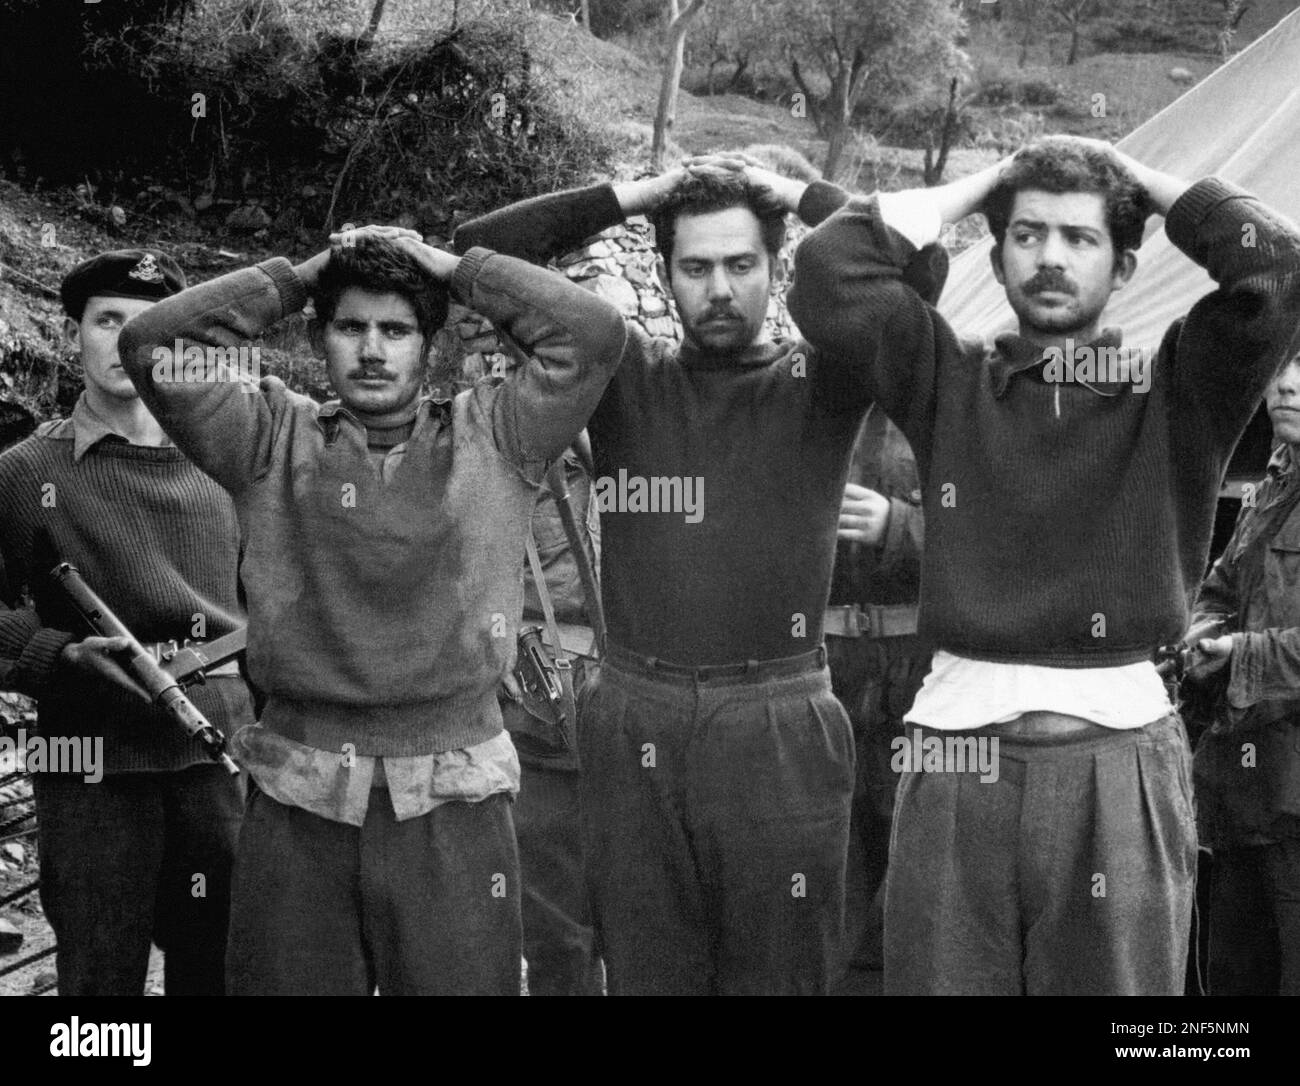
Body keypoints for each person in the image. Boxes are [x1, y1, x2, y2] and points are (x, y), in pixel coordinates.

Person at [789, 136, 1300, 995]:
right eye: (1027, 235)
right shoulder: (946, 379)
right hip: (953, 762)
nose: (1051, 257)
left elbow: (1278, 269)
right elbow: (827, 268)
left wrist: (1138, 177)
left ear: (1127, 264)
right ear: (997, 254)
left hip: (1119, 764)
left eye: (1079, 237)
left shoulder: (1180, 393)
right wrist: (990, 181)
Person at [455, 155, 946, 995]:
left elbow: (920, 265)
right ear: (663, 272)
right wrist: (639, 195)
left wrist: (786, 191)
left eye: (741, 264)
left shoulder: (825, 381)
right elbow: (481, 253)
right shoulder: (622, 374)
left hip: (779, 724)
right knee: (651, 977)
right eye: (696, 266)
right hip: (633, 718)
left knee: (781, 977)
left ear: (777, 267)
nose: (719, 288)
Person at [117, 225, 626, 995]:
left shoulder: (498, 433)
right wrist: (307, 273)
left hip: (456, 796)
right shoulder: (268, 437)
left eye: (397, 329)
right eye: (350, 327)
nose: (373, 350)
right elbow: (154, 342)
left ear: (430, 345)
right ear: (320, 338)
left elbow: (592, 334)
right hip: (299, 795)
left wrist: (451, 267)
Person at [0, 250, 253, 996]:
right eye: (108, 321)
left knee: (220, 970)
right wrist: (55, 656)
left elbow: (277, 603)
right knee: (99, 984)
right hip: (87, 766)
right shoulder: (21, 473)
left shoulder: (229, 461)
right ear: (72, 332)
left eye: (147, 326)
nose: (126, 342)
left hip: (221, 760)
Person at [1186, 349, 1300, 996]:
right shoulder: (1271, 486)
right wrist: (1198, 640)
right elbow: (1221, 592)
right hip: (1244, 789)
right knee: (1232, 977)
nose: (1283, 383)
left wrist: (1244, 655)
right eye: (1278, 366)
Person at [824, 407, 929, 986]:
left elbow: (997, 532)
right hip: (824, 674)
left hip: (916, 678)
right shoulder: (812, 400)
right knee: (831, 868)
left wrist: (901, 524)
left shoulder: (943, 403)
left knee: (914, 865)